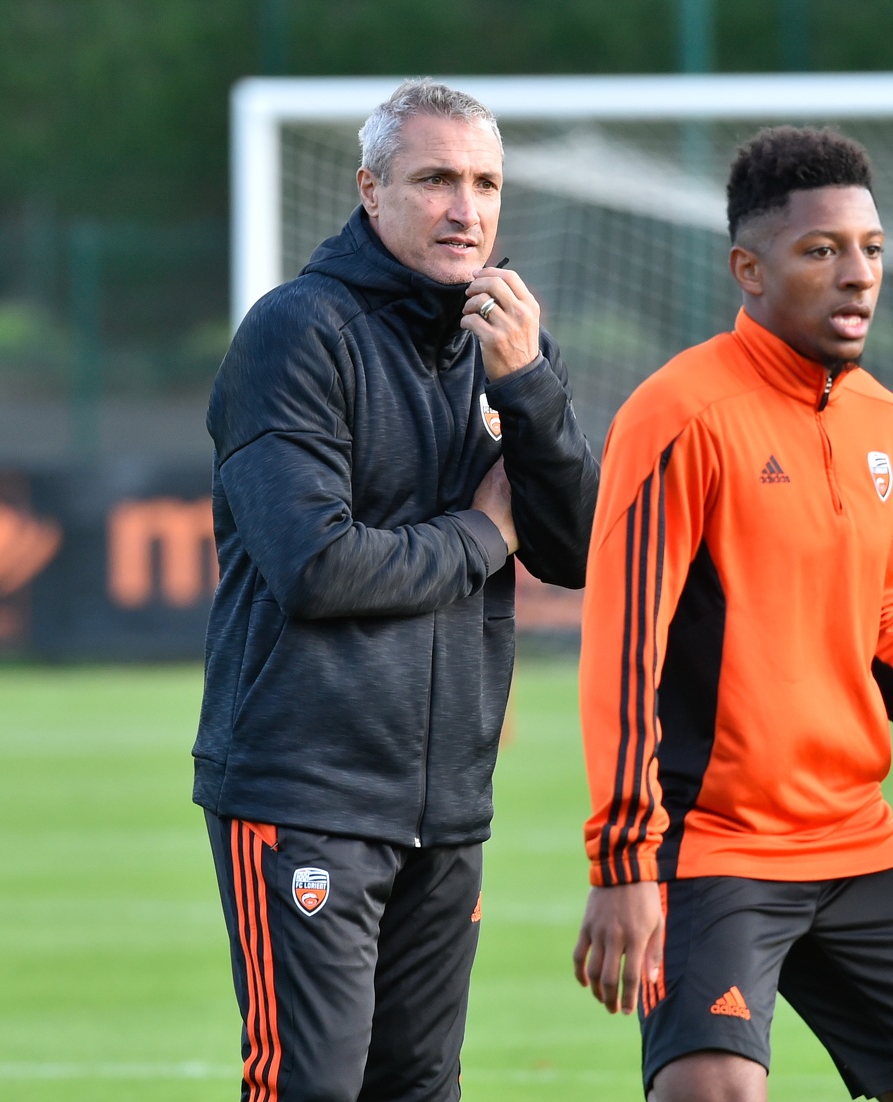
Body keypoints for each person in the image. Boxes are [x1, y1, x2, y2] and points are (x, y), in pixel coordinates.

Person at [572, 126, 893, 1102]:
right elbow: (622, 650)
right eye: (821, 250)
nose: (857, 274)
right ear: (749, 270)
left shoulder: (883, 420)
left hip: (856, 838)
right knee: (715, 1093)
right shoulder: (680, 414)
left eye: (871, 249)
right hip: (715, 845)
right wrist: (623, 860)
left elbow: (878, 630)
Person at [195, 78, 598, 1101]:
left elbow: (578, 552)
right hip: (307, 791)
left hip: (448, 802)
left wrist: (529, 388)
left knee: (421, 1086)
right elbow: (316, 566)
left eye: (486, 184)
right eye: (435, 181)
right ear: (371, 190)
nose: (466, 208)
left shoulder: (508, 341)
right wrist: (480, 534)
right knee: (312, 1087)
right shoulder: (297, 332)